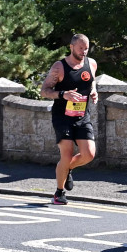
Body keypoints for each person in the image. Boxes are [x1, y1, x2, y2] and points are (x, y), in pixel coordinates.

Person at [40, 34, 98, 205]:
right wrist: (63, 94)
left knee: (89, 154)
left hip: (82, 115)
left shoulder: (91, 64)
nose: (84, 51)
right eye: (81, 48)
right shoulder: (59, 67)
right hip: (62, 117)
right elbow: (44, 90)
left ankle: (68, 168)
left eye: (86, 48)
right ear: (71, 47)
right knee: (66, 155)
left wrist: (94, 92)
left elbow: (92, 83)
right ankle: (59, 192)